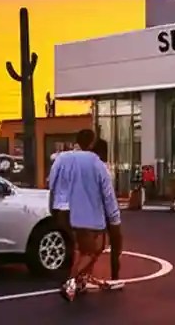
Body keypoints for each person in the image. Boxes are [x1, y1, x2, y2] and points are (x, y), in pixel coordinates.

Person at [49, 129, 122, 301]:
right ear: (93, 144)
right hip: (83, 213)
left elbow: (51, 182)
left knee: (80, 248)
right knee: (93, 249)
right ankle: (71, 282)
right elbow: (108, 196)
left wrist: (53, 205)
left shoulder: (62, 158)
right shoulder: (97, 165)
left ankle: (81, 281)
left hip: (60, 210)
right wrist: (114, 219)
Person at [91, 138, 124, 283]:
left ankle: (84, 274)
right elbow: (108, 195)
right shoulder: (104, 169)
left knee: (90, 245)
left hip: (91, 210)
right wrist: (114, 216)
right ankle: (115, 275)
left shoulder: (90, 167)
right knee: (115, 242)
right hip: (105, 211)